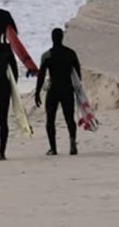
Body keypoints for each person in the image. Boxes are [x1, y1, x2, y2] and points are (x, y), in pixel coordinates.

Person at [34, 28, 81, 156]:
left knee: (50, 120)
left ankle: (53, 148)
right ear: (62, 37)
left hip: (54, 89)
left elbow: (41, 76)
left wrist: (37, 92)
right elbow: (78, 75)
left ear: (52, 38)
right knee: (69, 118)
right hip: (67, 89)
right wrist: (78, 92)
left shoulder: (47, 55)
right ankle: (72, 143)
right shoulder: (70, 53)